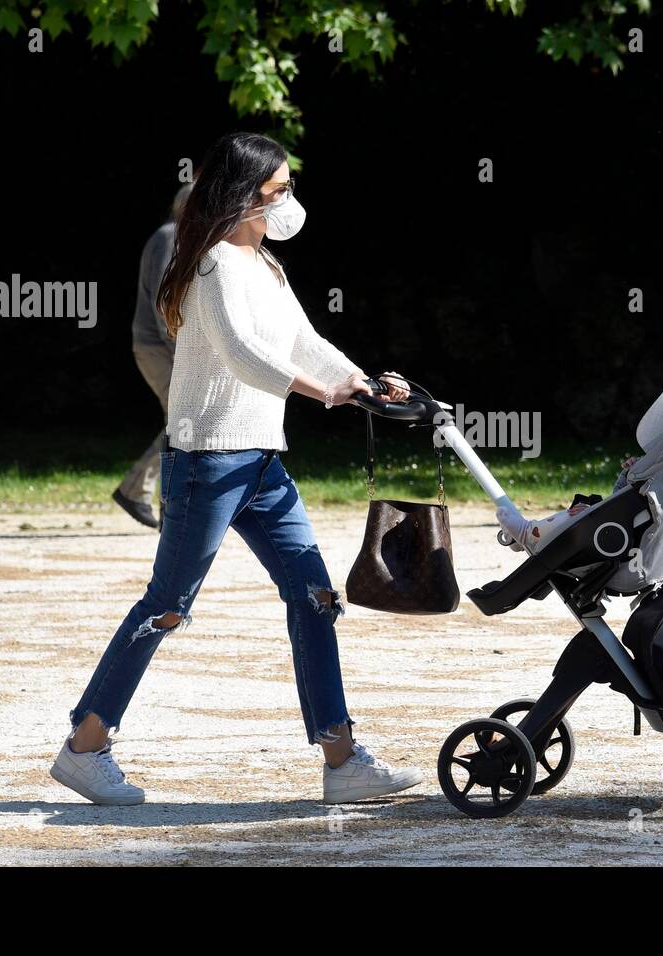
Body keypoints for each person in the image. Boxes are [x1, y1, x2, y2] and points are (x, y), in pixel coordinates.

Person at [52, 131, 422, 806]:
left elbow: (302, 340)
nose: (288, 200)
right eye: (279, 189)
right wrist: (322, 393)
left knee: (314, 599)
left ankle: (342, 762)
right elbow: (243, 354)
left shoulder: (266, 265)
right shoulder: (213, 265)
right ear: (242, 193)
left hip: (260, 463)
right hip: (205, 462)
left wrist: (362, 382)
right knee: (167, 605)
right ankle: (85, 747)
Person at [113, 184, 193, 529]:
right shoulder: (170, 236)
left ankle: (140, 492)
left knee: (180, 423)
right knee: (181, 423)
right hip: (159, 347)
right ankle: (157, 501)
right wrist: (180, 352)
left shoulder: (180, 238)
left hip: (163, 346)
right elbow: (166, 303)